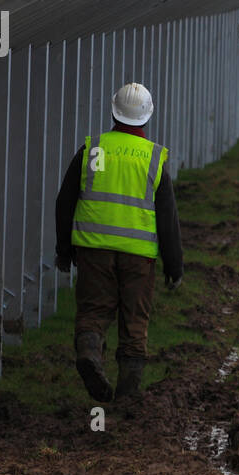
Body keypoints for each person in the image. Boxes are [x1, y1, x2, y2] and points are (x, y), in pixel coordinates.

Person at [54, 83, 183, 402]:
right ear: (147, 116)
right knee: (134, 320)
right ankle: (127, 395)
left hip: (94, 249)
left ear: (113, 111)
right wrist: (174, 265)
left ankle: (88, 352)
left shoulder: (92, 149)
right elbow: (167, 217)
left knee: (94, 311)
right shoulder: (153, 157)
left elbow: (65, 201)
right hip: (138, 257)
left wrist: (64, 250)